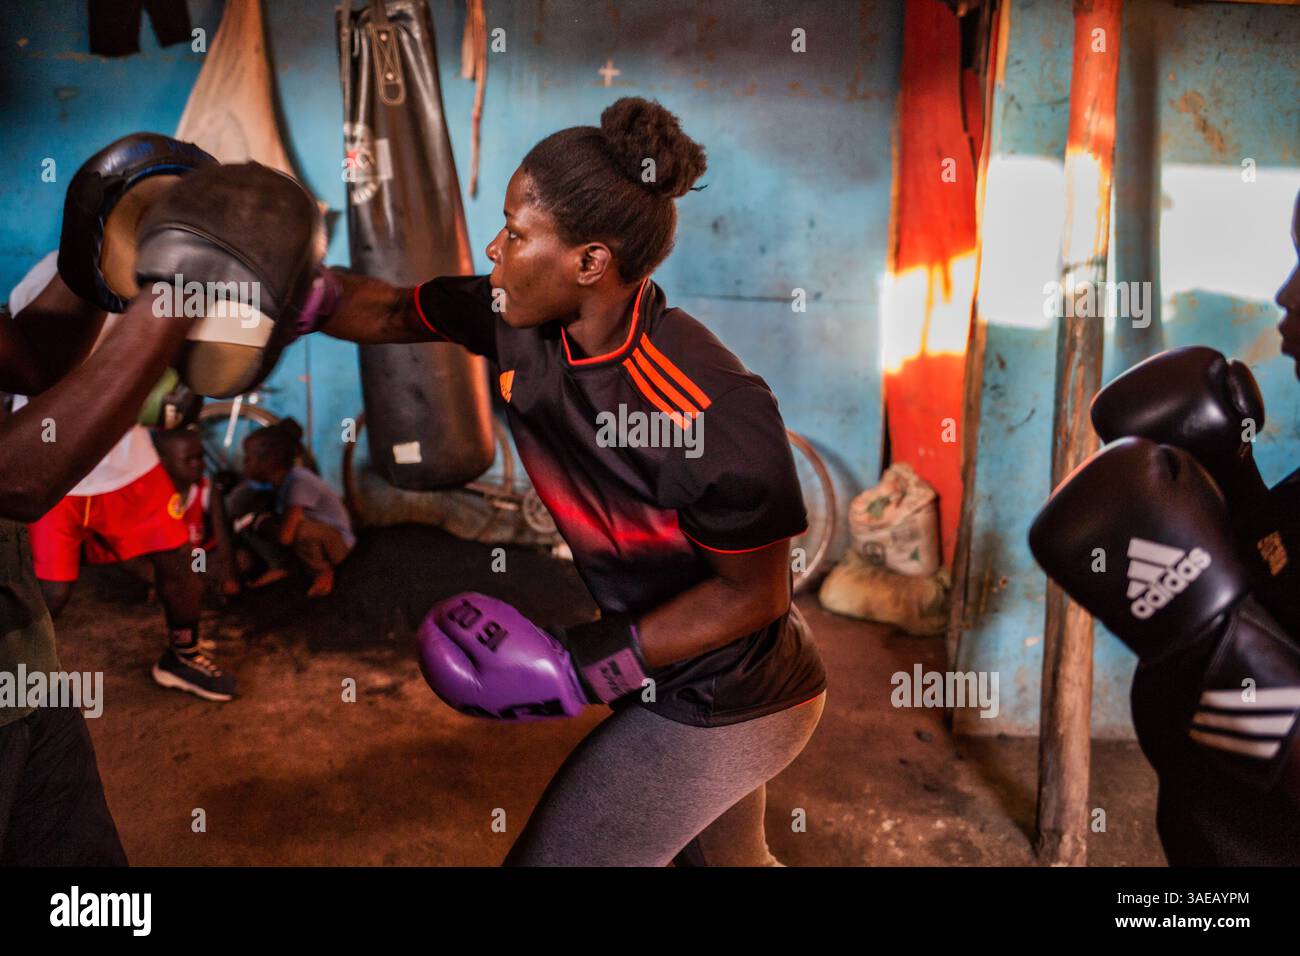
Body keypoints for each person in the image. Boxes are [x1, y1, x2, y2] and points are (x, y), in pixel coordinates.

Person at [314, 97, 827, 865]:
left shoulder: (711, 407)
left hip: (730, 698)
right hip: (681, 681)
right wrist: (289, 294)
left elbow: (755, 594)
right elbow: (387, 311)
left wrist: (580, 665)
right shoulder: (512, 314)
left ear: (590, 261)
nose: (494, 246)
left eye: (516, 234)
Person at [8, 254, 235, 703]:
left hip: (128, 460)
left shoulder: (163, 273)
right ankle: (15, 681)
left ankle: (182, 657)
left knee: (179, 563)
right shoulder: (54, 278)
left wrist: (174, 389)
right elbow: (33, 370)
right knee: (50, 591)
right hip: (54, 465)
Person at [239, 420, 354, 598]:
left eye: (248, 458)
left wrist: (267, 525)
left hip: (339, 547)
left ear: (270, 461)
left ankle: (323, 572)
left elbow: (287, 536)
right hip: (320, 542)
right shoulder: (280, 483)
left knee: (300, 530)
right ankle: (281, 568)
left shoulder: (299, 481)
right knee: (252, 523)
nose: (244, 464)